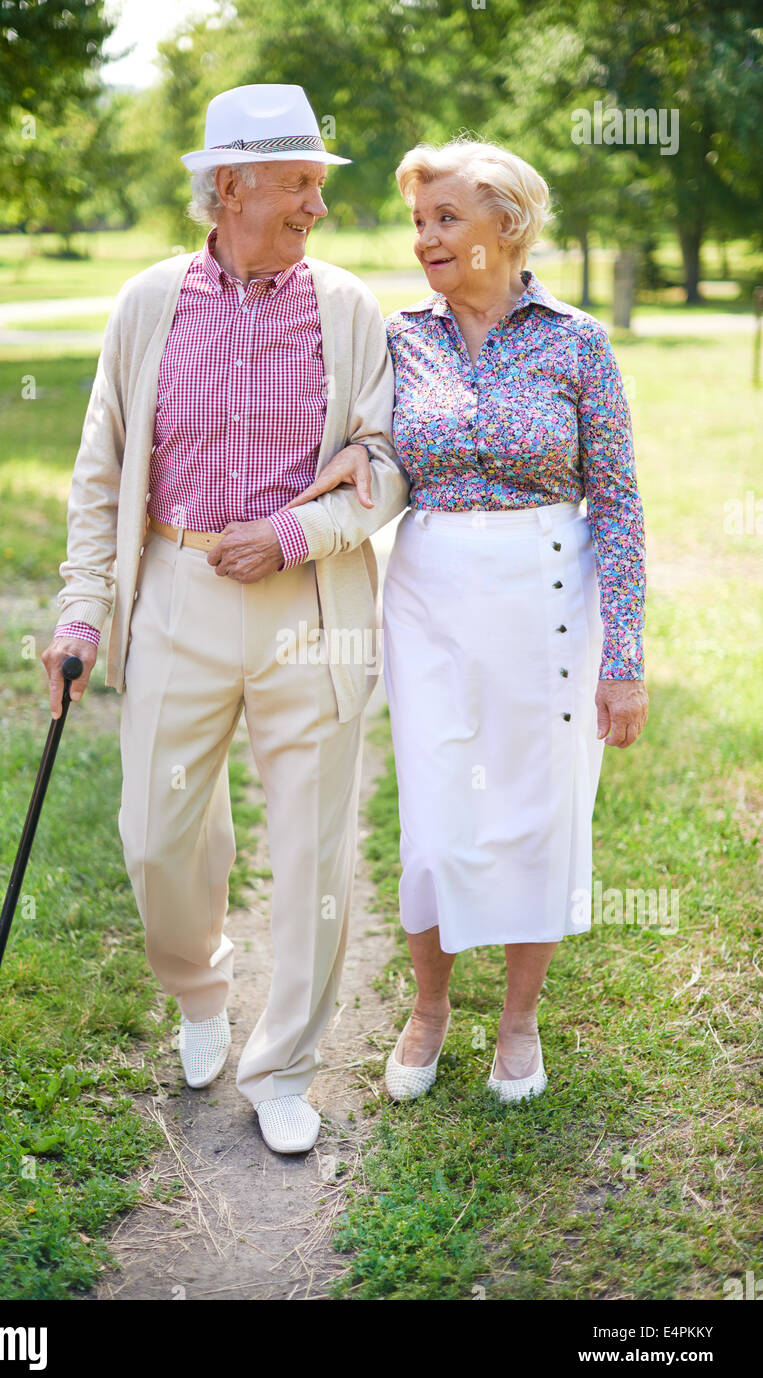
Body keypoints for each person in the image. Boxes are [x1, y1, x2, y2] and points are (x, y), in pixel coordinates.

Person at [41, 84, 409, 1154]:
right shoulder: (148, 303)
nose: (316, 206)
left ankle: (286, 1064)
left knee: (314, 851)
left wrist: (296, 535)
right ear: (231, 183)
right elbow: (100, 471)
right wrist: (79, 613)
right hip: (178, 591)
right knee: (156, 839)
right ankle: (201, 989)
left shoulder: (347, 308)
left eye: (318, 183)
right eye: (299, 182)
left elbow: (387, 470)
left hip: (312, 604)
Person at [377, 138, 648, 1103]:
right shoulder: (395, 335)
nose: (425, 239)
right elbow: (370, 457)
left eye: (445, 217)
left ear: (509, 223)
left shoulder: (575, 341)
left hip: (550, 606)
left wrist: (624, 657)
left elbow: (615, 502)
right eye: (418, 222)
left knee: (538, 816)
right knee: (438, 819)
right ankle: (429, 1008)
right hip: (429, 602)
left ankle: (519, 1021)